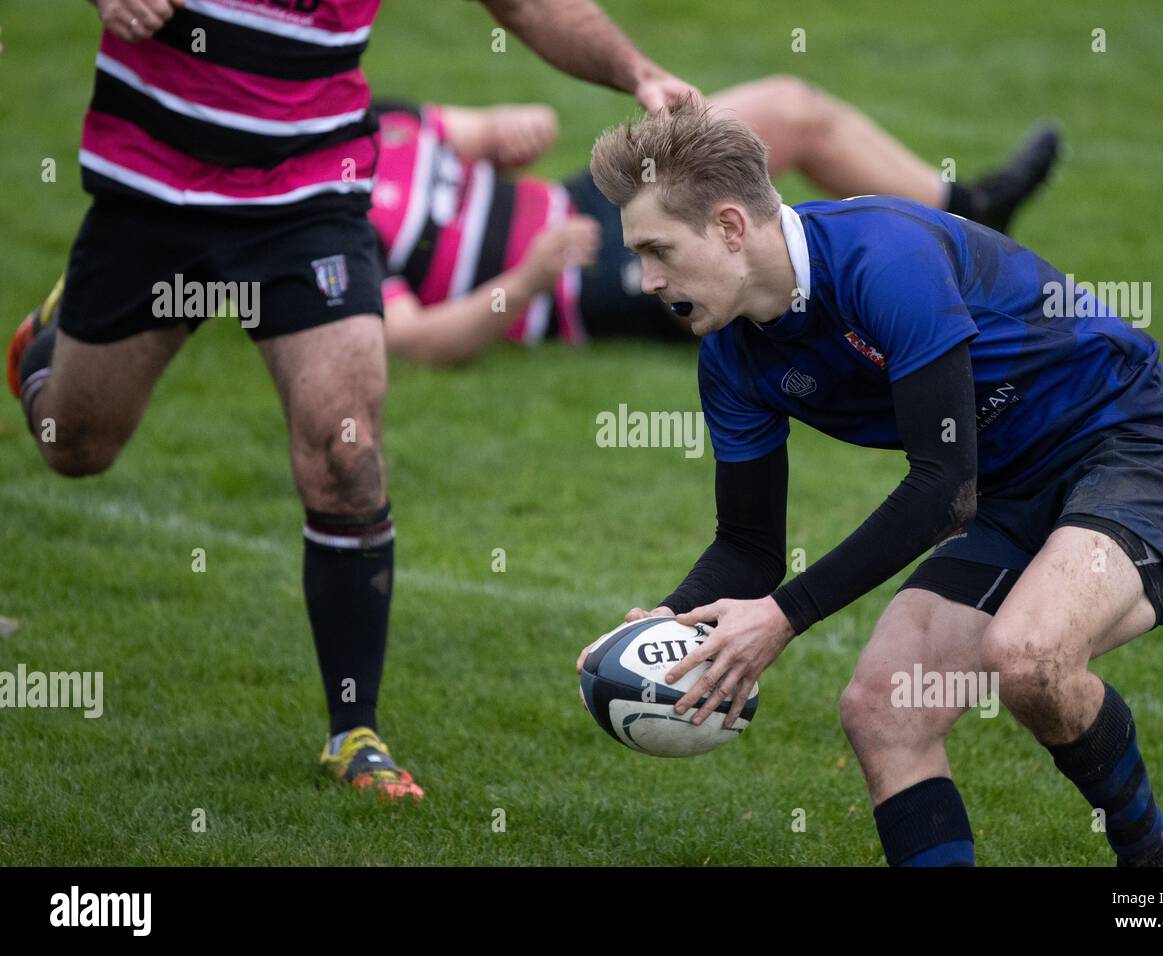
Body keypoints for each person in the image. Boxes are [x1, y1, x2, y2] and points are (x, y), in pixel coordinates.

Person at [6, 0, 696, 803]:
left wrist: (636, 70)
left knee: (347, 449)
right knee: (76, 444)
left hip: (309, 197)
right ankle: (48, 344)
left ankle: (353, 732)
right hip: (156, 188)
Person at [577, 103, 1163, 866]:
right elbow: (748, 545)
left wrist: (783, 617)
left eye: (659, 250)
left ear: (728, 227)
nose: (646, 279)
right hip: (1010, 487)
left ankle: (1156, 864)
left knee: (1030, 655)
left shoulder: (883, 257)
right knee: (884, 709)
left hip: (1133, 446)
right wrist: (667, 620)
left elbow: (943, 487)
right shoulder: (730, 356)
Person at [370, 78, 1059, 367]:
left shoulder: (384, 120)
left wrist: (517, 126)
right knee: (762, 249)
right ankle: (949, 308)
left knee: (787, 107)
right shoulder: (336, 222)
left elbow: (483, 131)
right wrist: (525, 282)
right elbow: (416, 346)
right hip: (579, 281)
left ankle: (969, 213)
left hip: (583, 199)